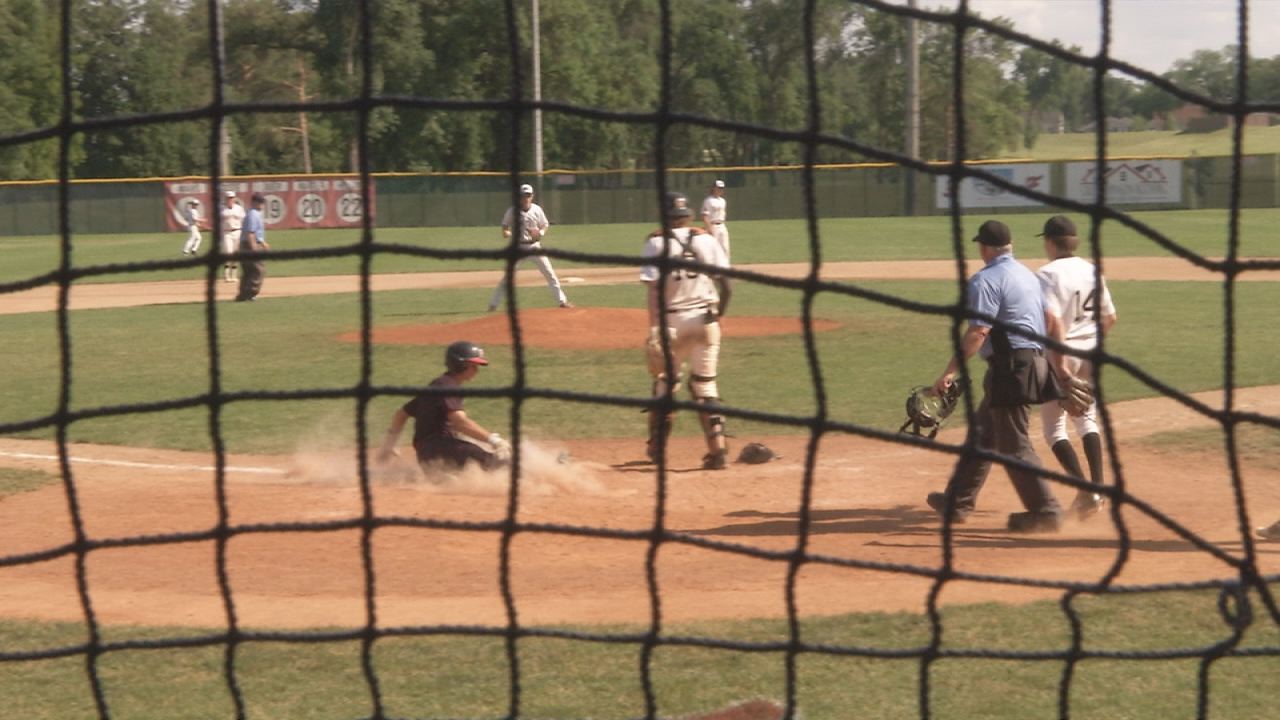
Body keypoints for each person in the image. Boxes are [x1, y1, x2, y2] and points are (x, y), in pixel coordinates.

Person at [925, 219, 1065, 533]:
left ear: (984, 248)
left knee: (1014, 446)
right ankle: (957, 503)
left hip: (1011, 369)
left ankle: (1046, 511)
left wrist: (948, 372)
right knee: (983, 434)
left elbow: (978, 332)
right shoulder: (1028, 275)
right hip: (1032, 362)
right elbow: (1051, 321)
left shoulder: (986, 280)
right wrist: (1060, 368)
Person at [643, 191, 733, 470]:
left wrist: (655, 328)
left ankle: (657, 448)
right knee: (705, 386)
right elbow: (727, 286)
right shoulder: (707, 240)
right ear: (688, 216)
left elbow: (653, 292)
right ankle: (718, 451)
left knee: (666, 386)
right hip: (705, 322)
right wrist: (718, 315)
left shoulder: (655, 243)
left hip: (672, 323)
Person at [1035, 215, 1117, 520]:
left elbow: (1052, 322)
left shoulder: (1046, 275)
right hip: (1091, 352)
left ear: (1050, 242)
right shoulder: (1092, 270)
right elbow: (1110, 318)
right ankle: (1097, 488)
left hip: (1061, 356)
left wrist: (1059, 367)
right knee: (1087, 419)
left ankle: (1086, 492)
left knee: (1053, 429)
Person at [376, 340, 511, 473]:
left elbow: (401, 414)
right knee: (499, 464)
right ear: (461, 365)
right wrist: (493, 440)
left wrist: (389, 445)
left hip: (428, 456)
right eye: (473, 366)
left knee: (476, 457)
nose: (477, 370)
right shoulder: (447, 387)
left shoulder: (438, 385)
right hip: (442, 450)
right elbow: (460, 423)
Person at [487, 184, 573, 311]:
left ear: (532, 196)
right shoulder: (512, 211)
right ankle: (493, 304)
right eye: (523, 195)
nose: (526, 198)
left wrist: (541, 232)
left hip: (535, 247)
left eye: (528, 195)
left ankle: (562, 301)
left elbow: (545, 224)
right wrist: (506, 232)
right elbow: (505, 224)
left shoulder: (537, 209)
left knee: (550, 274)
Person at [235, 193, 269, 302]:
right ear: (254, 202)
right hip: (250, 245)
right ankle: (250, 293)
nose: (262, 204)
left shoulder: (252, 213)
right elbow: (250, 233)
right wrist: (254, 248)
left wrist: (263, 242)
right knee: (258, 269)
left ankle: (243, 295)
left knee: (248, 271)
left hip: (246, 244)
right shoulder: (253, 214)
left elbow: (254, 233)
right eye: (260, 202)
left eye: (262, 202)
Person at [700, 179, 730, 260]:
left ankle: (725, 267)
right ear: (713, 188)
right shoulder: (708, 200)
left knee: (725, 248)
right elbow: (704, 215)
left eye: (722, 188)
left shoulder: (723, 201)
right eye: (718, 188)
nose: (720, 190)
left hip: (722, 226)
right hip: (712, 225)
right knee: (712, 248)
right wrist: (709, 228)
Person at [219, 190, 246, 283]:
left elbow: (244, 220)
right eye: (228, 198)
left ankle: (234, 275)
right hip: (227, 233)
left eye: (231, 198)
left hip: (237, 231)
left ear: (234, 198)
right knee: (228, 252)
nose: (230, 199)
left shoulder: (239, 208)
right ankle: (226, 275)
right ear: (226, 199)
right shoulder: (222, 209)